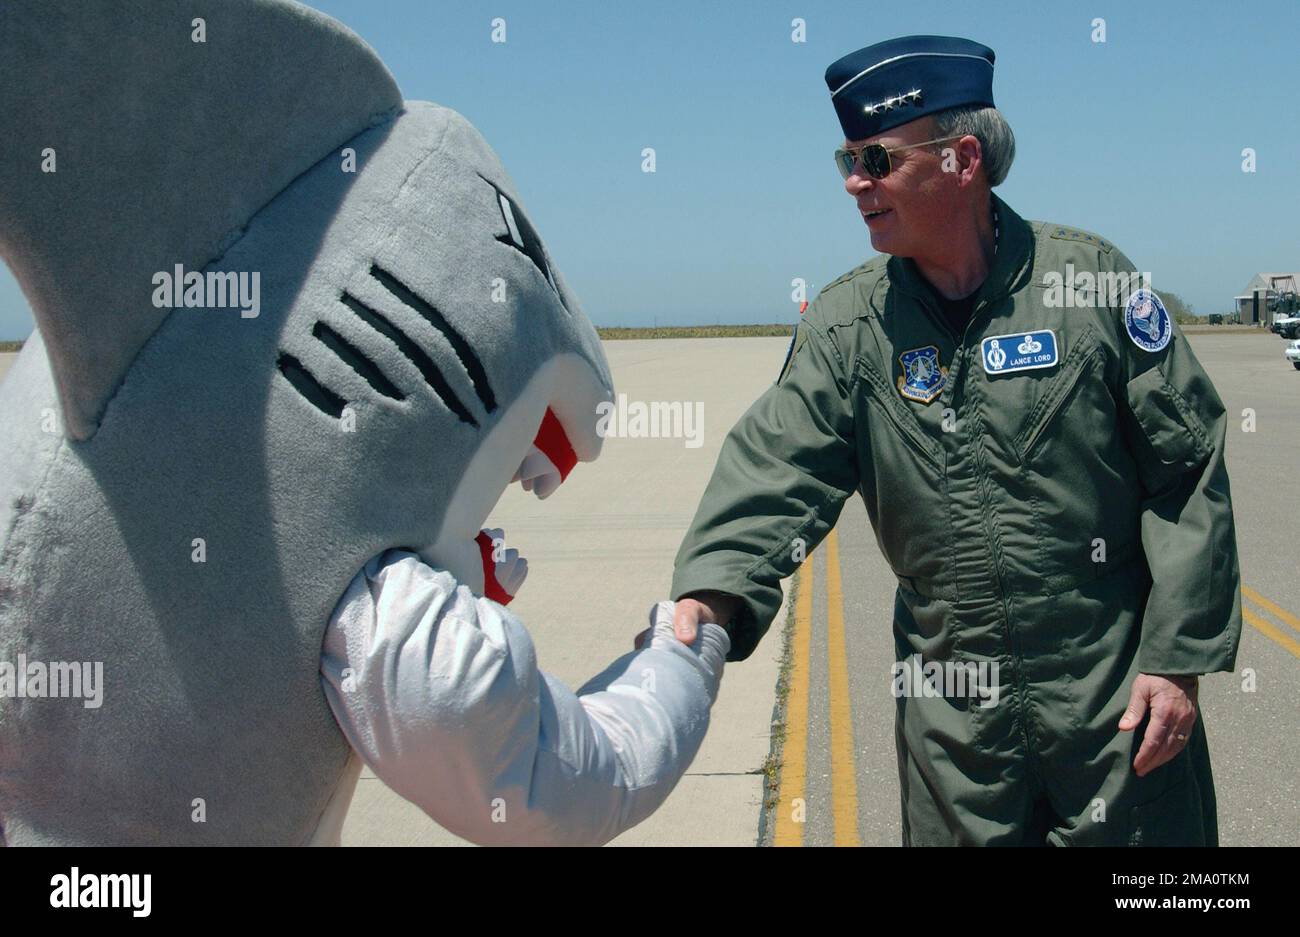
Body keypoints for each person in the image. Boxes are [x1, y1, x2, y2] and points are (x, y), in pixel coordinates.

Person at [664, 35, 1241, 845]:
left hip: (1117, 713)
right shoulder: (849, 328)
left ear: (962, 158)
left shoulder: (1091, 286)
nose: (855, 183)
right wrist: (709, 594)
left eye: (875, 158)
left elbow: (1185, 472)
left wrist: (1177, 656)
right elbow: (778, 469)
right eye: (846, 161)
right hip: (958, 737)